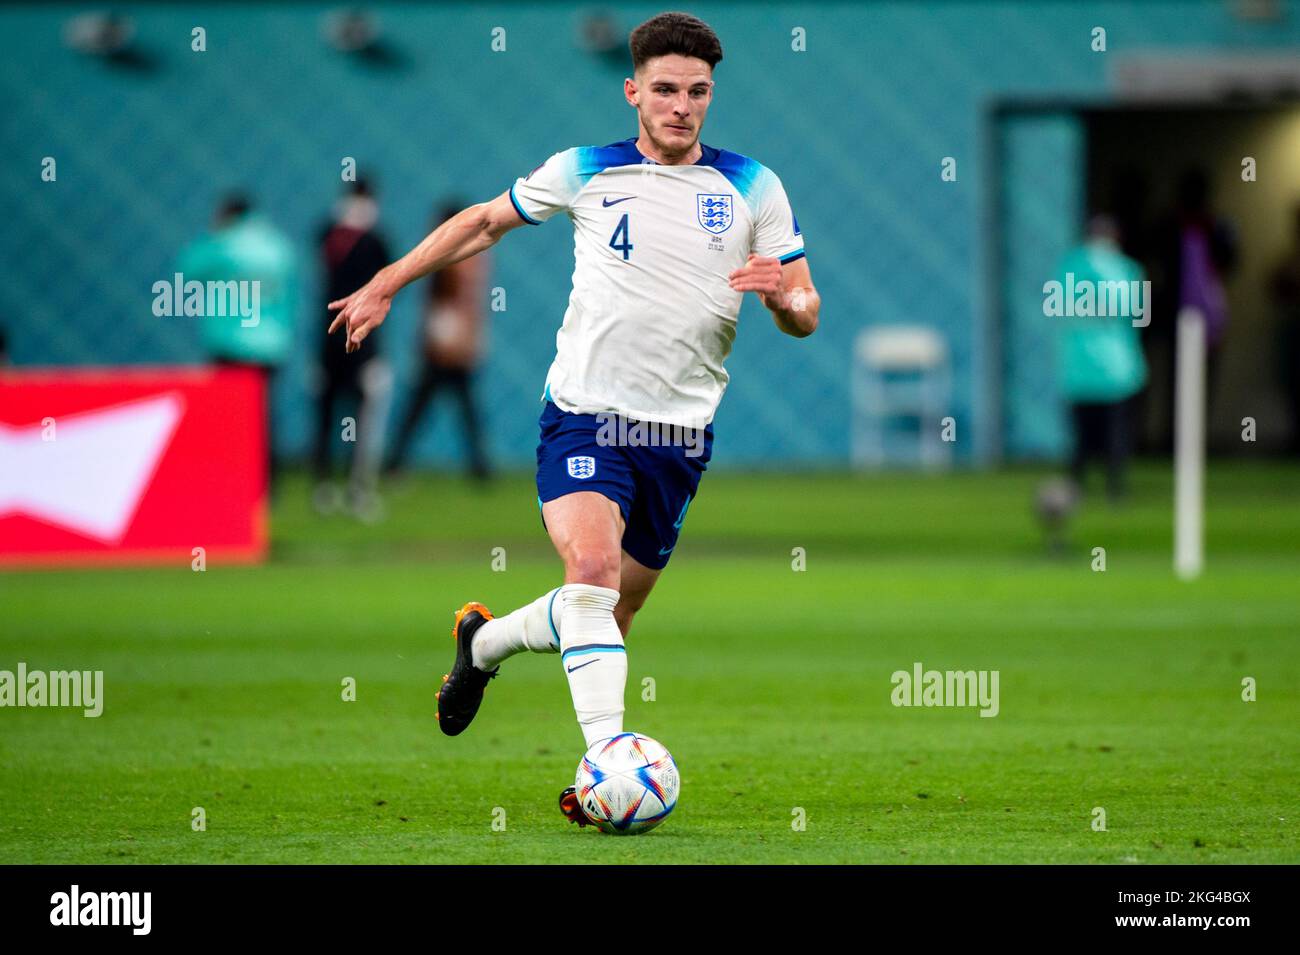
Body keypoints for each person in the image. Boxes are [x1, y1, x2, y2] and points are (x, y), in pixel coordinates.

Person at [326, 12, 818, 826]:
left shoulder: (754, 186)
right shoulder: (585, 171)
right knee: (589, 576)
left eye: (697, 92)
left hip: (679, 438)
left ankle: (480, 646)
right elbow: (483, 222)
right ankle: (609, 772)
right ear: (633, 92)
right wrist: (388, 279)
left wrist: (786, 299)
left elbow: (805, 306)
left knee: (602, 618)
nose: (682, 106)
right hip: (587, 417)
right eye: (665, 89)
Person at [177, 193, 297, 497]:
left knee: (228, 421)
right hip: (271, 343)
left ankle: (231, 484)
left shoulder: (223, 243)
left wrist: (212, 233)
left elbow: (186, 271)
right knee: (265, 417)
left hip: (231, 342)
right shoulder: (278, 246)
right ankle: (267, 486)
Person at [383, 202, 492, 482]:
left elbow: (453, 306)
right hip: (450, 343)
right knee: (454, 411)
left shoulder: (455, 256)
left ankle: (395, 463)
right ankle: (480, 470)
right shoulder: (476, 256)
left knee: (430, 410)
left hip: (446, 343)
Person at [311, 178, 394, 521]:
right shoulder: (375, 240)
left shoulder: (326, 233)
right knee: (366, 423)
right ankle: (358, 490)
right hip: (363, 346)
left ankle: (324, 486)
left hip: (327, 345)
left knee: (327, 419)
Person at [1057, 215, 1148, 502]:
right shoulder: (1127, 269)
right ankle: (1115, 490)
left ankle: (1076, 488)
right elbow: (1138, 314)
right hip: (1117, 368)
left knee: (1082, 436)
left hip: (1079, 367)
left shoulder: (1069, 267)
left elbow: (1059, 310)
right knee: (1115, 434)